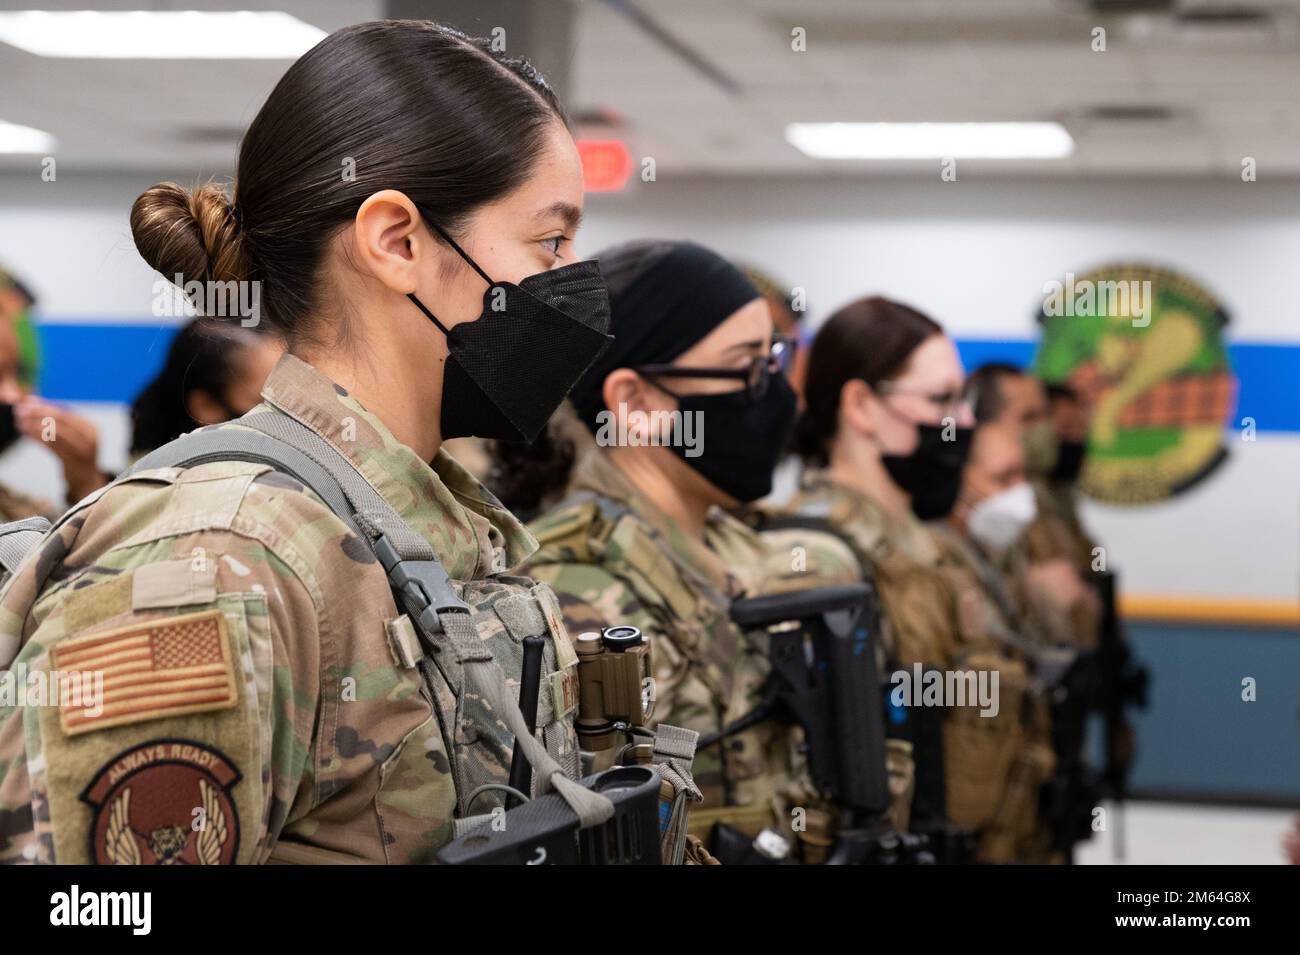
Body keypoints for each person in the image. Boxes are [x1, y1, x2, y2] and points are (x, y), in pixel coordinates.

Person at [0, 20, 614, 865]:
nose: (572, 276)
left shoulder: (420, 523)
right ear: (397, 241)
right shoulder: (223, 557)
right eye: (550, 239)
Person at [512, 240, 867, 863]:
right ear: (638, 406)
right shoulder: (579, 595)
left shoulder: (734, 543)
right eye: (746, 369)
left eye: (774, 359)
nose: (778, 395)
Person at [782, 295, 1049, 862]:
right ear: (861, 405)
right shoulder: (816, 555)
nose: (966, 421)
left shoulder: (931, 543)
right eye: (942, 400)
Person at [965, 363, 1099, 648]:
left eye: (1045, 415)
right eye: (1029, 417)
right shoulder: (977, 511)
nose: (1045, 429)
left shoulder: (1045, 499)